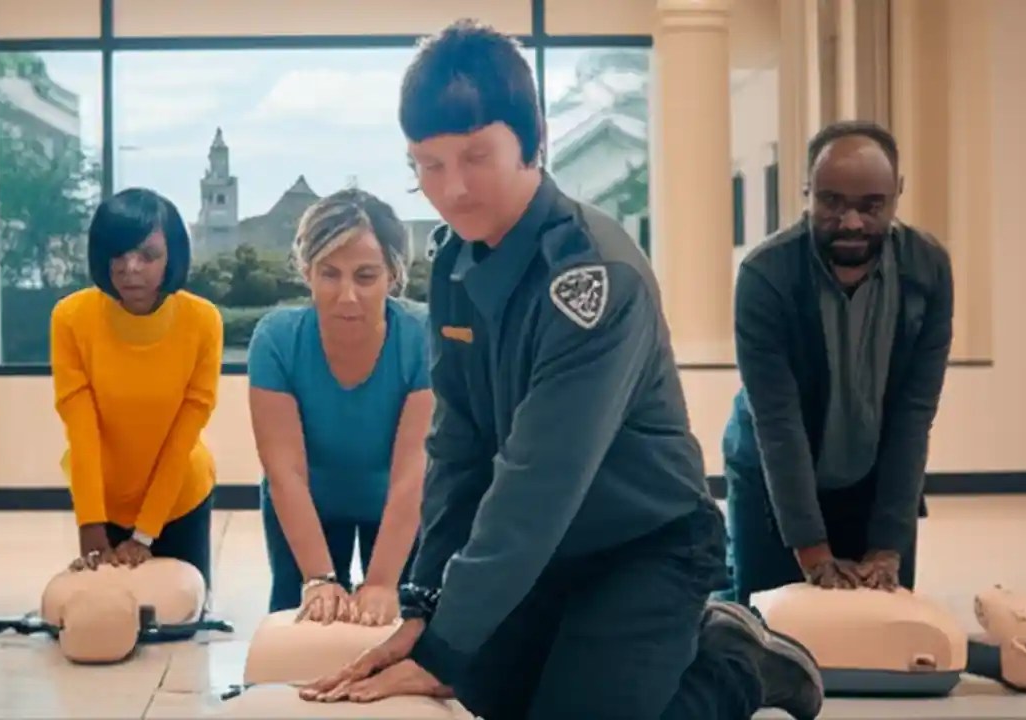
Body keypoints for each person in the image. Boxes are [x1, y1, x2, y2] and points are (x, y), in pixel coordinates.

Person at [300, 20, 825, 720]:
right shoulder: (455, 266)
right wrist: (426, 605)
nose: (451, 190)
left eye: (475, 156)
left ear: (534, 138)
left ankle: (737, 663)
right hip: (541, 552)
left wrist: (444, 646)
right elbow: (456, 451)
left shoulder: (593, 278)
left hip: (643, 547)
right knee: (485, 688)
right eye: (427, 165)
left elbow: (537, 481)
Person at [719, 120, 954, 605]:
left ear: (896, 195)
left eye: (871, 205)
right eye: (831, 202)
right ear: (807, 192)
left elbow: (914, 414)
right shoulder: (765, 277)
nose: (850, 222)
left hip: (871, 480)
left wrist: (889, 544)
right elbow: (777, 422)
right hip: (773, 475)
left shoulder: (928, 269)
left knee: (881, 631)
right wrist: (811, 548)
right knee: (764, 634)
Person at [248, 189, 431, 625]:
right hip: (305, 503)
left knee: (396, 631)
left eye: (365, 276)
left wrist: (383, 583)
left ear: (393, 274)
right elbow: (285, 472)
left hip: (396, 509)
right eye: (330, 274)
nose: (347, 295)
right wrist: (318, 579)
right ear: (307, 272)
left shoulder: (423, 336)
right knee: (301, 629)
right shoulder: (276, 340)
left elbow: (413, 472)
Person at [50, 187, 221, 587]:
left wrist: (146, 533)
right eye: (118, 254)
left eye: (148, 255)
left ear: (171, 256)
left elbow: (184, 432)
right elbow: (81, 427)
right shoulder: (72, 317)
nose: (131, 268)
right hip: (102, 501)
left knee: (180, 620)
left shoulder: (202, 321)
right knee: (105, 620)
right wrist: (90, 523)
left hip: (179, 498)